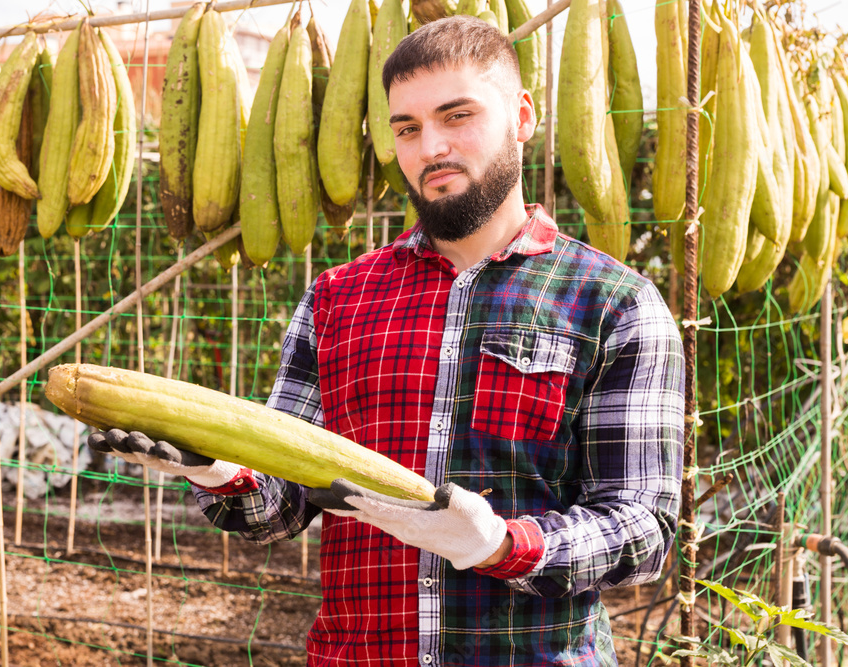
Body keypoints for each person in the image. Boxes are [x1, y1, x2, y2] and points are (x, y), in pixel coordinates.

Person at [88, 15, 685, 666]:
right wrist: (215, 467)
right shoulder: (337, 298)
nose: (431, 147)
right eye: (407, 127)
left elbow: (643, 531)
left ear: (522, 116)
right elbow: (281, 503)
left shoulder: (615, 304)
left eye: (458, 116)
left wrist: (502, 543)